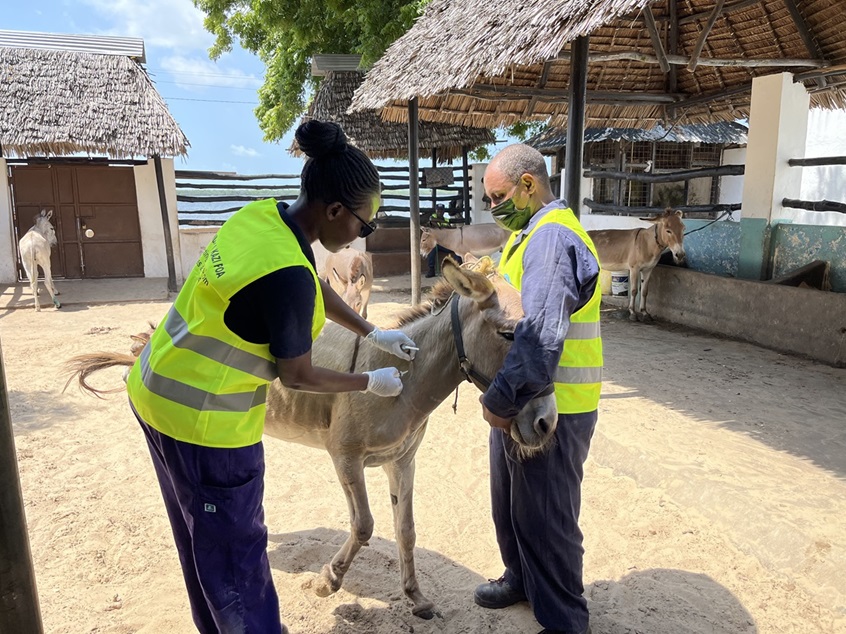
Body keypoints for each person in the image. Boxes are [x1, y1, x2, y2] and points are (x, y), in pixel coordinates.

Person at [125, 120, 418, 634]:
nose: (364, 235)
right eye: (364, 225)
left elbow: (306, 283)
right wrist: (370, 382)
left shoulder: (265, 218)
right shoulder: (287, 276)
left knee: (202, 544)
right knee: (237, 562)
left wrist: (372, 332)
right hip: (203, 426)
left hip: (154, 388)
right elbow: (298, 375)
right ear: (333, 211)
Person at [473, 144, 602, 634]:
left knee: (547, 517)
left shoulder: (551, 240)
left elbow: (542, 335)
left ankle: (566, 619)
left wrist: (500, 401)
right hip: (528, 401)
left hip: (550, 408)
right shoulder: (530, 235)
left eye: (498, 196)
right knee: (514, 505)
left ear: (529, 184)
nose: (493, 207)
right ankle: (521, 581)